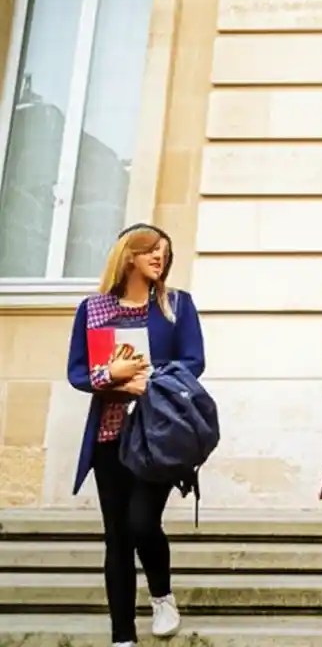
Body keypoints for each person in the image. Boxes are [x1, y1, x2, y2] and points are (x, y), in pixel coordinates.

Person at [66, 223, 205, 647]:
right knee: (117, 536)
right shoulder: (93, 309)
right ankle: (122, 636)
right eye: (150, 250)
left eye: (164, 251)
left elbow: (194, 361)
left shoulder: (176, 306)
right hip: (110, 436)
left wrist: (148, 379)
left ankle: (162, 595)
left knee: (142, 522)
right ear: (128, 255)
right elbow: (77, 371)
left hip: (157, 432)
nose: (159, 257)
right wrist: (113, 376)